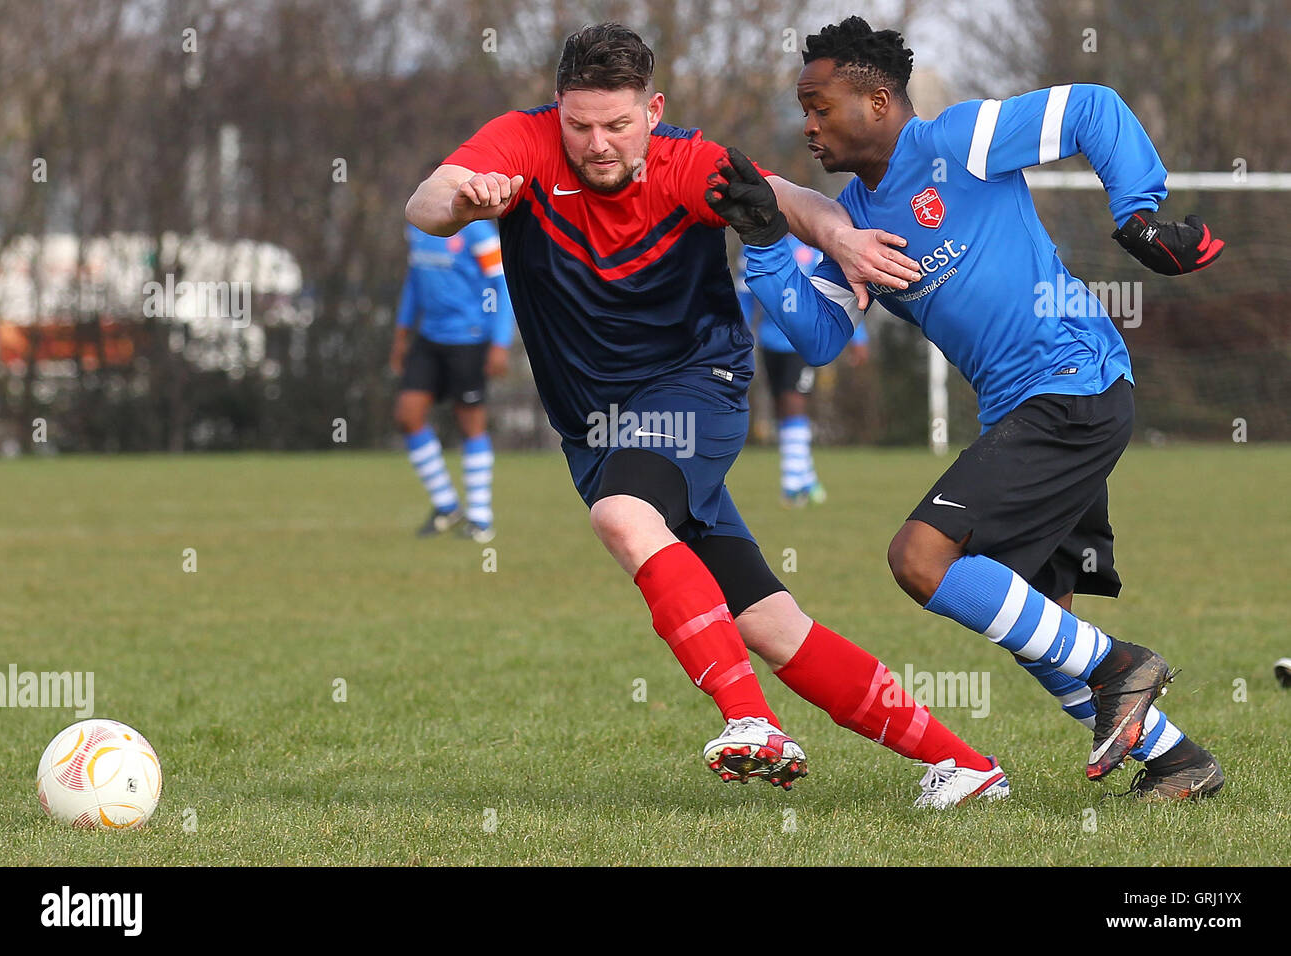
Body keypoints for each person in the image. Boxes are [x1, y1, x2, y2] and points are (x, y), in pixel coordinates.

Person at [406, 22, 1011, 807]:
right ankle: (966, 765)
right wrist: (464, 199)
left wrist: (847, 240)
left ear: (653, 111)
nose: (596, 143)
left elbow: (789, 203)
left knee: (624, 517)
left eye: (617, 124)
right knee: (768, 623)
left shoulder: (690, 162)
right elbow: (424, 206)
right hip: (595, 427)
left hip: (698, 385)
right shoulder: (521, 144)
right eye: (580, 124)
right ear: (557, 109)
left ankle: (751, 721)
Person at [727, 16, 1225, 799]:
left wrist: (1137, 213)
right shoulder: (854, 221)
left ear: (880, 99)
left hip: (1073, 384)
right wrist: (761, 244)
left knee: (920, 561)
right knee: (1037, 621)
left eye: (820, 105)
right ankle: (1179, 762)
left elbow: (1092, 108)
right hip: (1032, 412)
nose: (809, 124)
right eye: (804, 108)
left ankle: (1122, 666)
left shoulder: (957, 140)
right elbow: (819, 336)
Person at [390, 218, 515, 543]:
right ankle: (447, 505)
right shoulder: (418, 228)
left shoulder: (477, 233)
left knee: (470, 422)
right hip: (429, 339)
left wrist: (501, 342)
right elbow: (414, 281)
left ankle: (480, 518)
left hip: (469, 339)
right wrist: (402, 333)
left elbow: (503, 284)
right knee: (407, 416)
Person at [736, 235, 868, 507]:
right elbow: (745, 295)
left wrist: (858, 337)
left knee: (794, 402)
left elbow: (840, 292)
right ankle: (804, 477)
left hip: (804, 340)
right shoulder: (755, 241)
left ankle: (792, 484)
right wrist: (741, 331)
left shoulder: (813, 241)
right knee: (781, 407)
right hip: (770, 341)